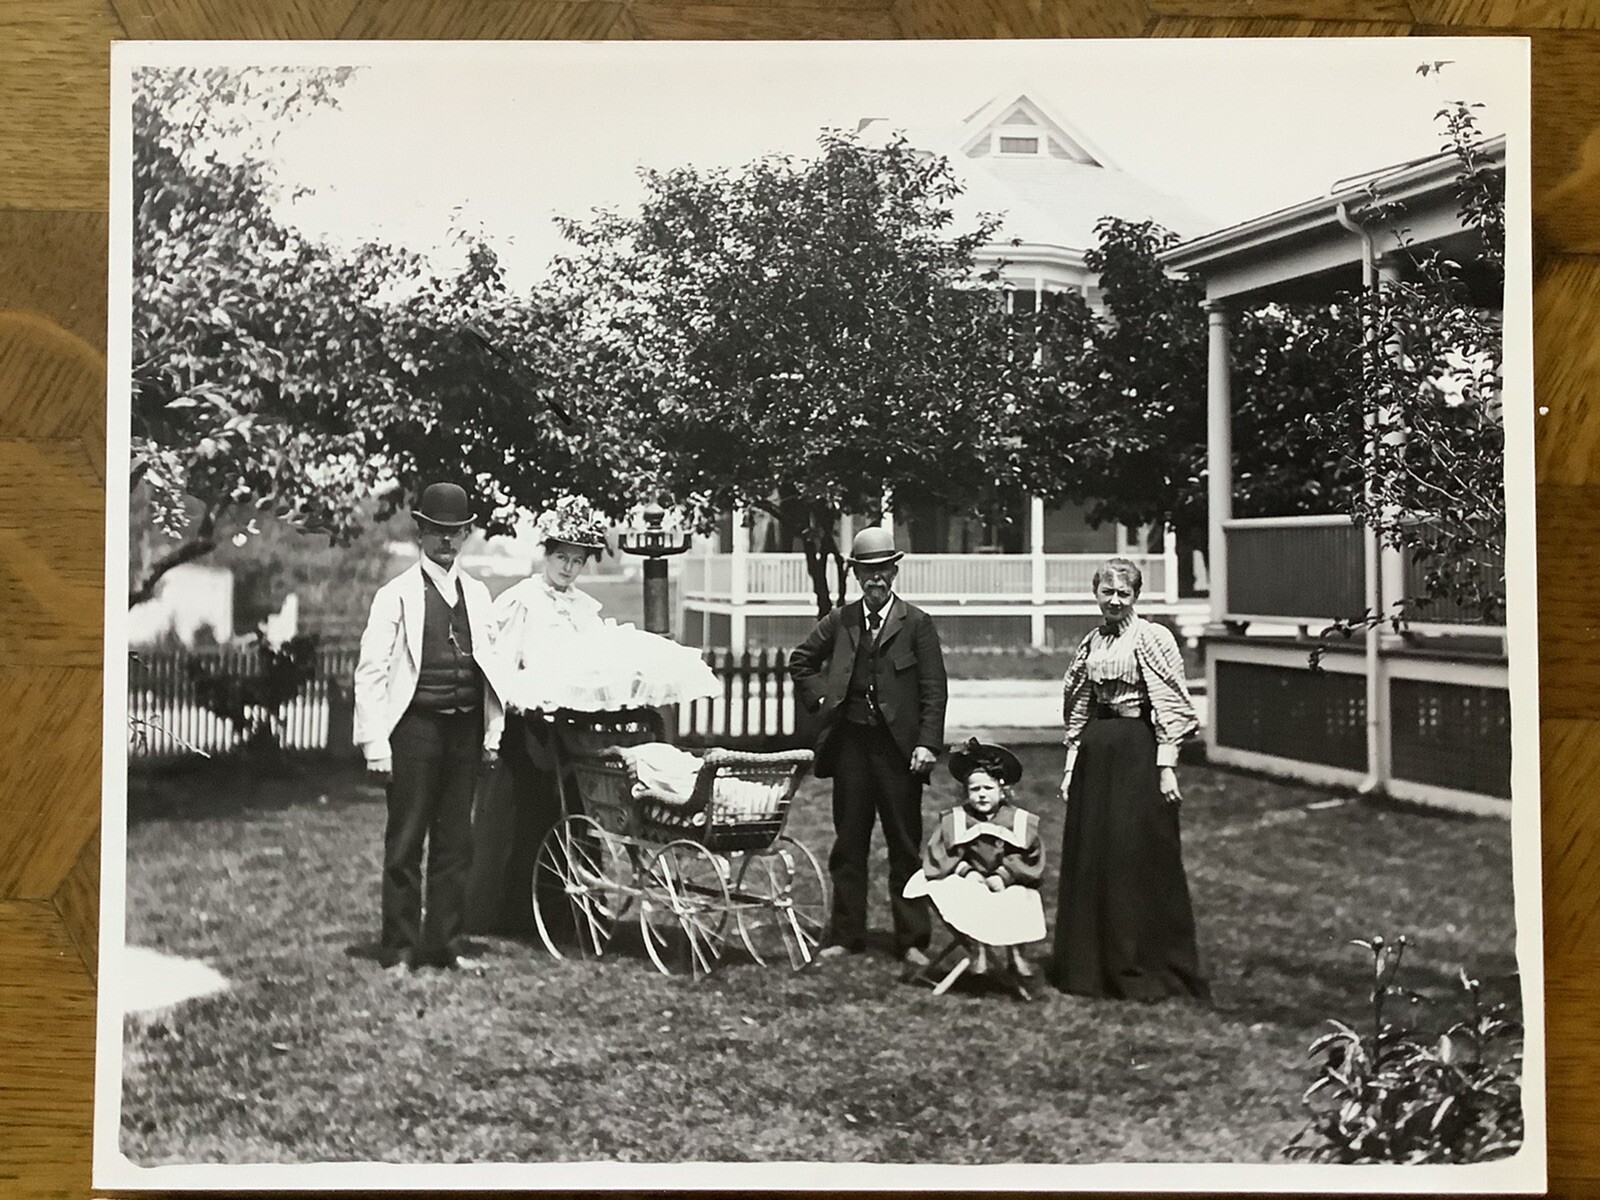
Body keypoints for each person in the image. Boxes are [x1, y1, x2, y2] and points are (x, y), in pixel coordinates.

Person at [465, 495, 716, 936]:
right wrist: (516, 707)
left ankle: (570, 910)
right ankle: (516, 915)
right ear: (547, 555)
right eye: (561, 558)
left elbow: (595, 669)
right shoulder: (521, 602)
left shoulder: (584, 610)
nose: (567, 569)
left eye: (577, 561)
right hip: (528, 726)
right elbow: (499, 665)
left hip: (573, 726)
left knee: (579, 810)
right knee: (531, 816)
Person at [354, 482, 506, 974]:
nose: (446, 541)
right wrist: (376, 743)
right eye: (437, 531)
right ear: (421, 532)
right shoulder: (395, 595)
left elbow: (494, 669)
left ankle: (446, 943)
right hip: (414, 731)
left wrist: (491, 735)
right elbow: (372, 673)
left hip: (464, 731)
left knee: (455, 843)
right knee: (405, 843)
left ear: (466, 535)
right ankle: (398, 949)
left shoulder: (478, 595)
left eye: (455, 532)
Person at [1047, 556, 1210, 1002]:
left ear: (1136, 596)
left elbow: (1171, 705)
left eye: (1124, 593)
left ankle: (1140, 962)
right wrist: (1069, 766)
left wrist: (1166, 765)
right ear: (1095, 594)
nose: (1115, 600)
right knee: (1092, 854)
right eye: (1107, 592)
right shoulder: (1092, 642)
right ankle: (1087, 967)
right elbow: (1079, 705)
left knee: (1132, 852)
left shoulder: (1153, 638)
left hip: (1137, 749)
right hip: (1097, 752)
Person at [789, 526, 948, 973]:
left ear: (894, 571)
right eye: (867, 572)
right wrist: (820, 697)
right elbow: (801, 660)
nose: (875, 580)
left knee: (904, 845)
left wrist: (927, 743)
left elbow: (934, 691)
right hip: (852, 748)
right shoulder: (843, 620)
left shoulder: (916, 623)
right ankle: (846, 935)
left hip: (899, 753)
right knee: (849, 843)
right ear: (857, 574)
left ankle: (912, 939)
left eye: (882, 571)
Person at [904, 739, 1045, 986]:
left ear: (1003, 790)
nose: (981, 795)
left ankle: (1016, 953)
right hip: (969, 876)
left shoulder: (1017, 821)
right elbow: (941, 853)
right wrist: (965, 870)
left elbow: (1028, 855)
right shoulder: (957, 819)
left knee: (1019, 899)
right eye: (974, 789)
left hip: (1006, 877)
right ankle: (977, 950)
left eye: (988, 789)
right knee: (970, 898)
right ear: (966, 792)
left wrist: (1004, 875)